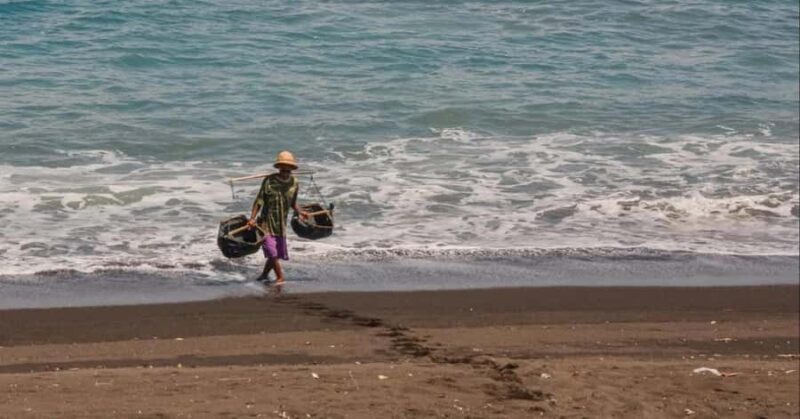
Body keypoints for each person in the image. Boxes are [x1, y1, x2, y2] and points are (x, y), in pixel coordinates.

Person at [247, 150, 308, 284]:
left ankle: (264, 275)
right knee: (271, 251)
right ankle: (280, 277)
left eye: (288, 170)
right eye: (282, 169)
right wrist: (252, 218)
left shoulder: (294, 183)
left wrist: (300, 212)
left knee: (276, 254)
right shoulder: (269, 181)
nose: (285, 172)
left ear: (291, 169)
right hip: (266, 223)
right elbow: (259, 201)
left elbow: (293, 203)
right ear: (279, 168)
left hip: (280, 225)